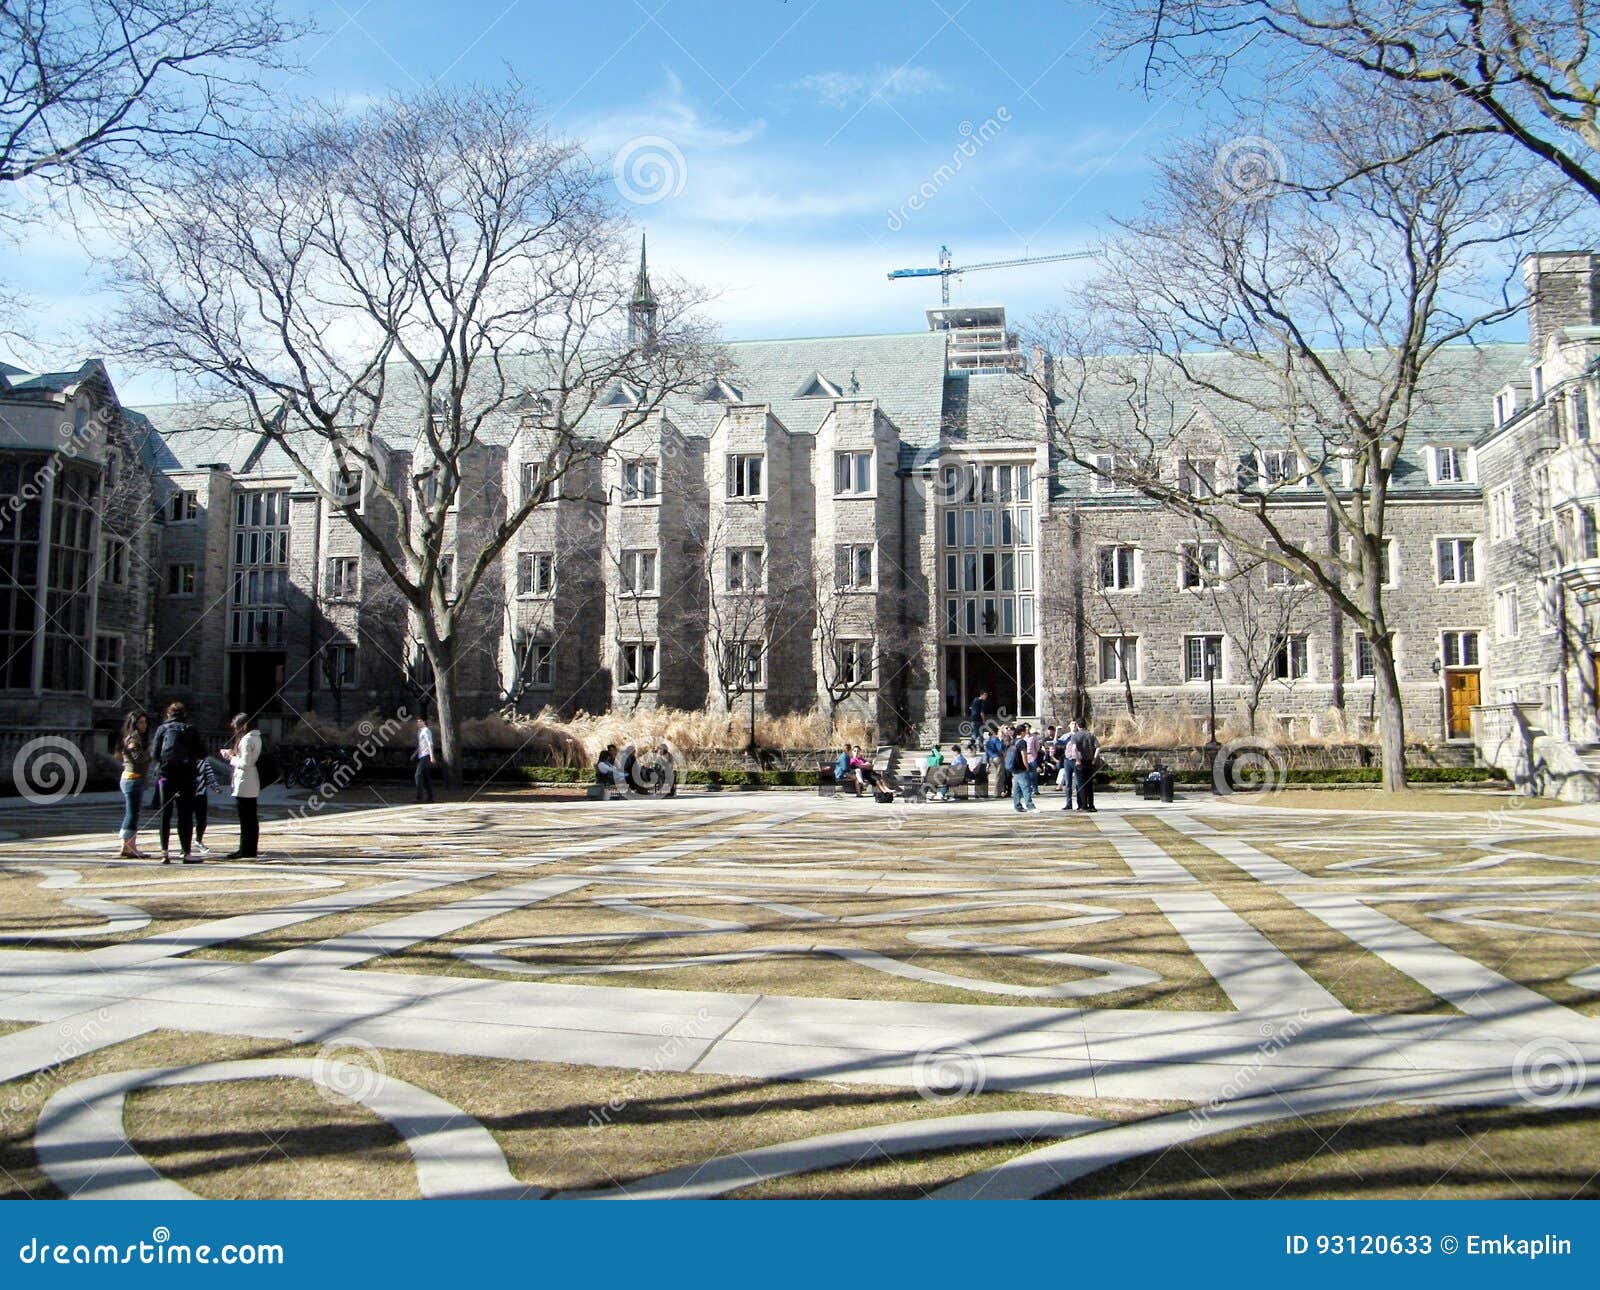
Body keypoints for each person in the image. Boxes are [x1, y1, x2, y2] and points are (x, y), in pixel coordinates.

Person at [151, 702, 203, 863]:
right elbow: (203, 753)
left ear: (168, 714)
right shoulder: (191, 729)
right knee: (185, 814)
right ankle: (186, 852)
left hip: (166, 775)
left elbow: (154, 754)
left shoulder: (162, 729)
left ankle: (164, 853)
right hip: (186, 776)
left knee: (165, 814)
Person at [221, 712, 262, 858]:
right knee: (250, 817)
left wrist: (230, 758)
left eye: (236, 727)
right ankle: (249, 848)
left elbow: (245, 763)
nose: (235, 730)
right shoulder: (255, 738)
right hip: (251, 780)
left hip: (245, 781)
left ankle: (245, 849)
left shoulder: (246, 740)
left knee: (246, 818)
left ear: (243, 726)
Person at [116, 711, 151, 859]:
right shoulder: (134, 738)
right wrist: (149, 752)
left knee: (133, 813)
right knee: (132, 814)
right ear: (134, 724)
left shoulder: (135, 737)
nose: (144, 725)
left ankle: (127, 847)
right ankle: (130, 847)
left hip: (134, 779)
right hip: (132, 779)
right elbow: (138, 758)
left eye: (145, 722)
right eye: (141, 722)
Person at [191, 749, 224, 858]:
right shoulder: (184, 759)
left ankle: (198, 840)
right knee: (186, 820)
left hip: (201, 793)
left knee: (202, 819)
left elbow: (209, 776)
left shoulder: (204, 761)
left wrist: (215, 787)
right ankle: (185, 846)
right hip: (187, 794)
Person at [1007, 728, 1036, 812]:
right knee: (1026, 787)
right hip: (1021, 768)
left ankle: (1017, 806)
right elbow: (1024, 755)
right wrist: (1026, 766)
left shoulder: (1013, 741)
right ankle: (1030, 806)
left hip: (1013, 767)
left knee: (1017, 789)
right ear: (1022, 732)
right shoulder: (1022, 742)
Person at [414, 716, 436, 802]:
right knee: (426, 777)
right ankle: (430, 798)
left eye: (420, 721)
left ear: (424, 722)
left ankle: (419, 797)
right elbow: (421, 745)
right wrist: (415, 754)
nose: (418, 723)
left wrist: (431, 756)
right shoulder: (420, 732)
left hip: (426, 755)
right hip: (422, 755)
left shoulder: (426, 731)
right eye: (417, 722)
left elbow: (429, 743)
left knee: (418, 775)